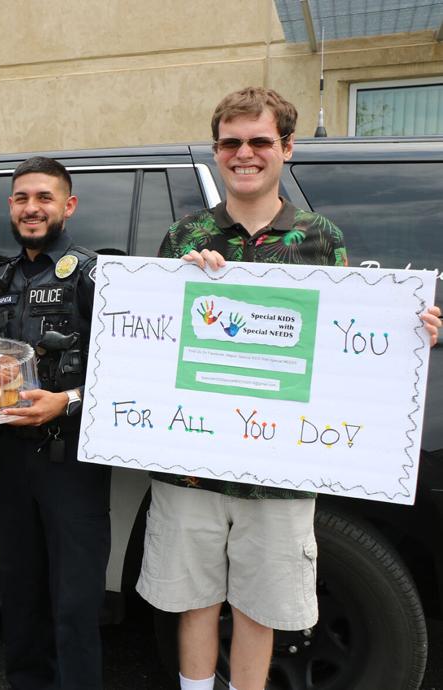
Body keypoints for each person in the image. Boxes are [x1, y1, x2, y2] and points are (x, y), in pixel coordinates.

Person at [136, 86, 442, 690]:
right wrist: (178, 286)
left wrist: (409, 337)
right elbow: (150, 336)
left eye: (259, 141)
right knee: (194, 597)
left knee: (262, 602)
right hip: (192, 460)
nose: (244, 153)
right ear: (217, 150)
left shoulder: (321, 236)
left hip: (281, 462)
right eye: (231, 142)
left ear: (286, 148)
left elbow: (346, 336)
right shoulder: (184, 236)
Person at [0, 156, 110, 690]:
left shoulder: (94, 275)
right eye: (22, 198)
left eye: (44, 198)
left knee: (75, 602)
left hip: (72, 458)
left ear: (67, 205)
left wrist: (67, 400)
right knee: (21, 591)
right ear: (11, 206)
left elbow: (126, 371)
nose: (32, 209)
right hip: (13, 456)